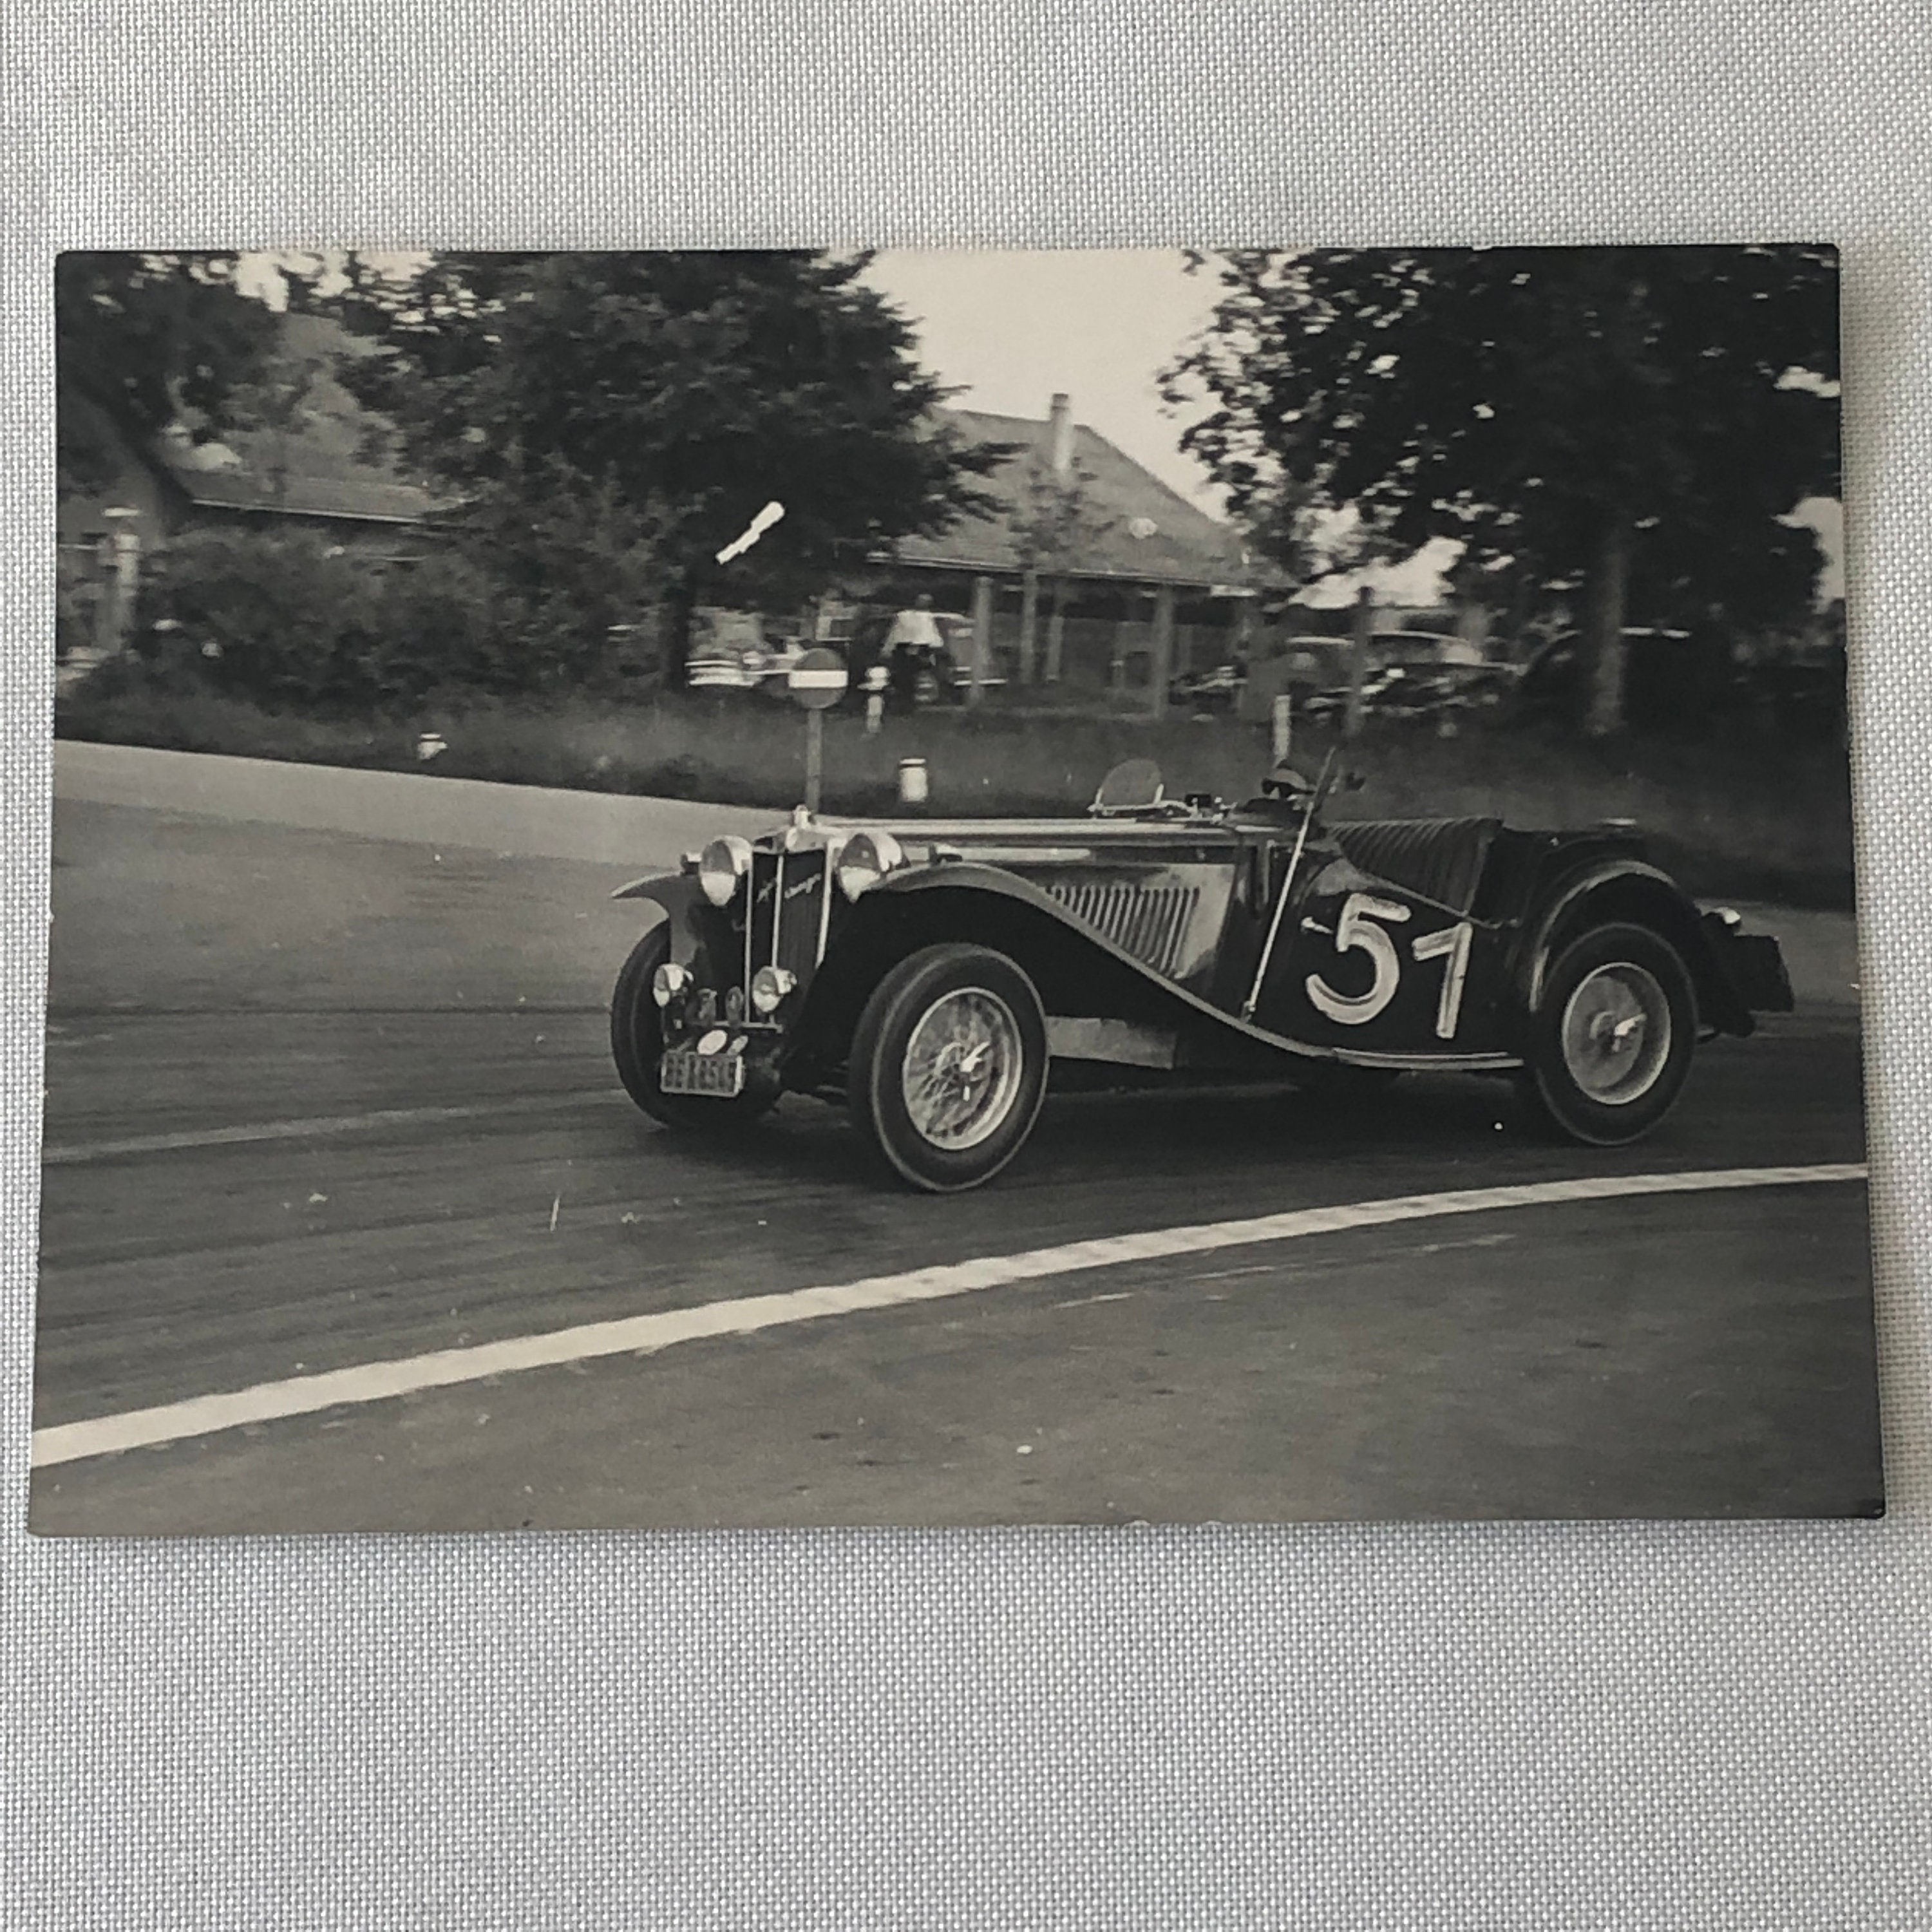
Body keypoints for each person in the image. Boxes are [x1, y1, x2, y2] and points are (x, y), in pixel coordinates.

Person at [884, 593, 946, 707]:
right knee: (904, 678)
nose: (923, 604)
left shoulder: (928, 617)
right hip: (905, 649)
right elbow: (896, 633)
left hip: (923, 649)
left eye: (926, 602)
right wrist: (889, 648)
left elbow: (932, 636)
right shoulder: (904, 616)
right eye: (921, 601)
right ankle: (905, 701)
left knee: (921, 675)